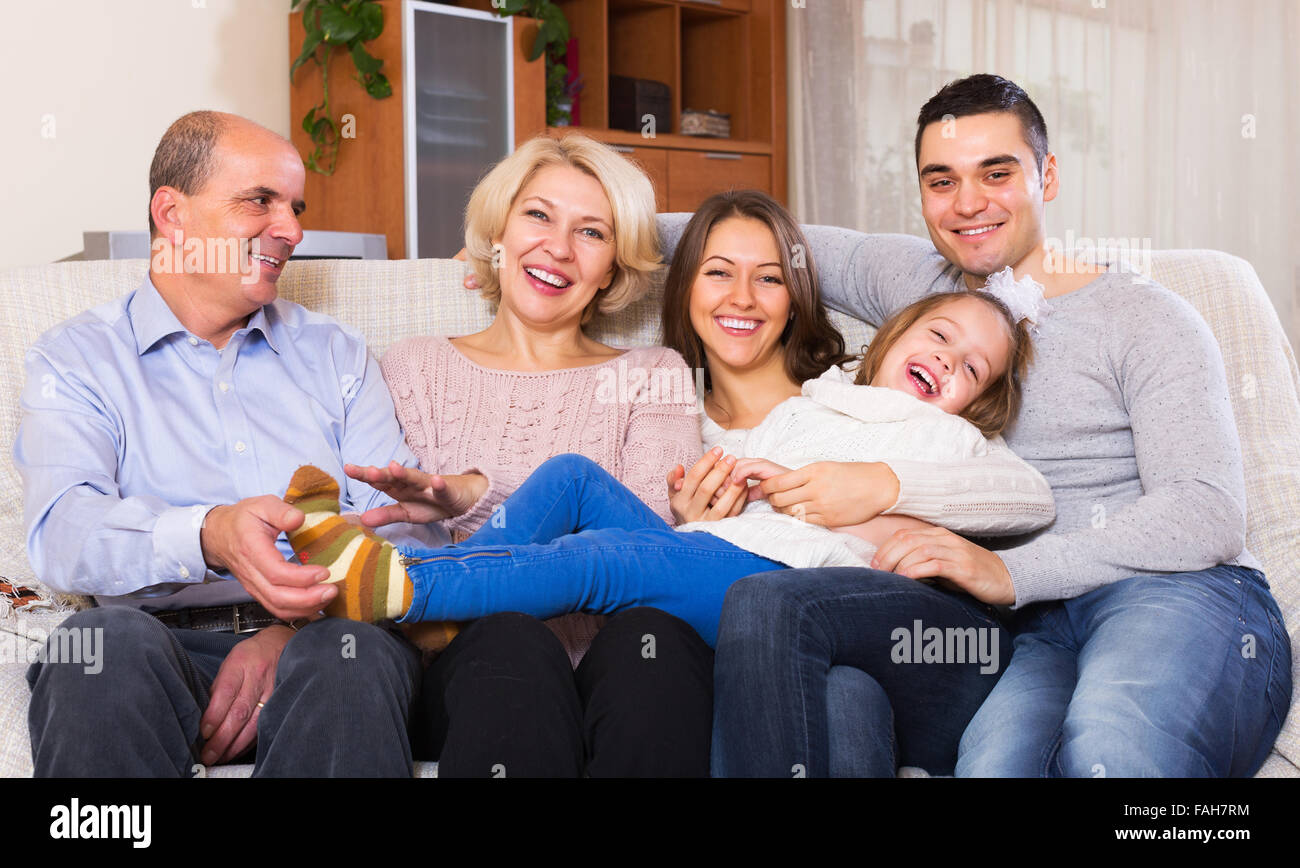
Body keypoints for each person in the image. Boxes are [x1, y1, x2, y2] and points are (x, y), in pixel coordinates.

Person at [701, 74, 1292, 777]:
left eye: (997, 172)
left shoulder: (1146, 315)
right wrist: (586, 227)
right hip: (1030, 630)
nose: (968, 202)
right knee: (994, 768)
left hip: (1172, 591)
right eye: (941, 180)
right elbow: (746, 232)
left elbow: (1206, 511)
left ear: (1048, 175)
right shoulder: (922, 287)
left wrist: (1008, 570)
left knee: (1112, 742)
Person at [288, 190, 1053, 650]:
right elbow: (699, 538)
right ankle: (438, 619)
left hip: (786, 589)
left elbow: (1021, 497)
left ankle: (398, 587)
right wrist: (512, 243)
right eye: (717, 272)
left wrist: (876, 487)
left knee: (602, 557)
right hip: (718, 555)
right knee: (571, 481)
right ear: (683, 285)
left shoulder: (914, 423)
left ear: (796, 296)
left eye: (770, 279)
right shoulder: (787, 400)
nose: (742, 297)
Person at [18, 111, 440, 776]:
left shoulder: (335, 354)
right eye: (260, 201)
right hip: (156, 643)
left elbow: (408, 538)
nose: (294, 230)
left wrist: (292, 631)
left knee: (344, 654)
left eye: (296, 207)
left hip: (324, 645)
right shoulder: (75, 359)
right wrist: (209, 534)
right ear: (172, 214)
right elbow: (63, 534)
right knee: (98, 644)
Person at [351, 133, 713, 777]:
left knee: (652, 645)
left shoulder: (654, 372)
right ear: (498, 233)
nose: (558, 247)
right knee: (511, 637)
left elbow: (644, 551)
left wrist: (477, 495)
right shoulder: (416, 367)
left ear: (615, 267)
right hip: (475, 669)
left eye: (593, 233)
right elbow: (401, 559)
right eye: (538, 215)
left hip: (616, 665)